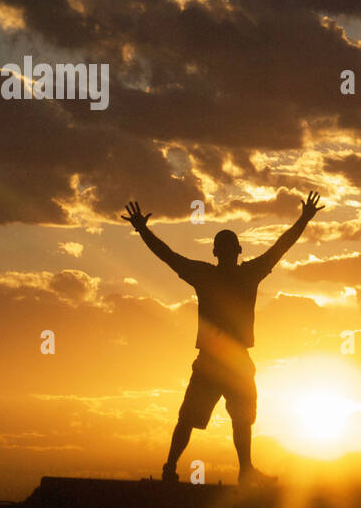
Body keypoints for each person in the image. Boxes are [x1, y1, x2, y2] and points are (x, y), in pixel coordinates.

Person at [121, 192, 324, 485]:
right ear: (237, 251)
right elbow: (280, 247)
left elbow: (168, 256)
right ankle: (240, 471)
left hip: (219, 360)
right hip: (231, 360)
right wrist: (303, 219)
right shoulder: (247, 273)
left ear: (216, 252)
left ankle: (178, 469)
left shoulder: (207, 274)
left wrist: (142, 230)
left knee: (201, 417)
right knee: (228, 417)